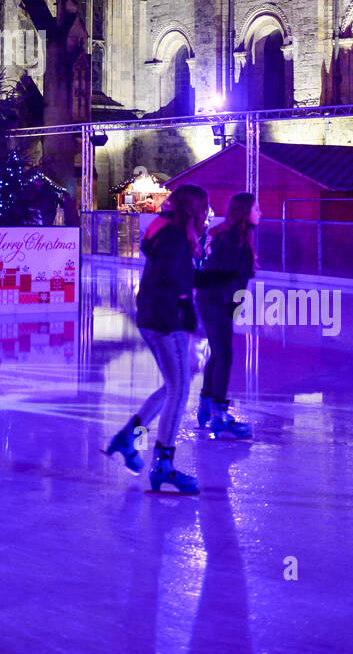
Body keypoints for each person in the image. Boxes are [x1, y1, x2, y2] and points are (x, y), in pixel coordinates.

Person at [105, 183, 208, 494]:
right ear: (194, 209)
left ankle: (128, 437)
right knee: (180, 388)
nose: (207, 214)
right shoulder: (175, 237)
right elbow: (169, 277)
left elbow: (176, 274)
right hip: (165, 319)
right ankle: (163, 464)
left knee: (172, 386)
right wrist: (185, 305)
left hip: (154, 315)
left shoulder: (167, 232)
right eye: (205, 207)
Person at [195, 192, 258, 439]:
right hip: (216, 301)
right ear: (244, 211)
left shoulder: (238, 236)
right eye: (256, 208)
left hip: (217, 301)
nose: (260, 213)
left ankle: (206, 405)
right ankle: (219, 415)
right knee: (224, 355)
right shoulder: (232, 238)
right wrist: (229, 306)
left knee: (219, 353)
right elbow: (223, 275)